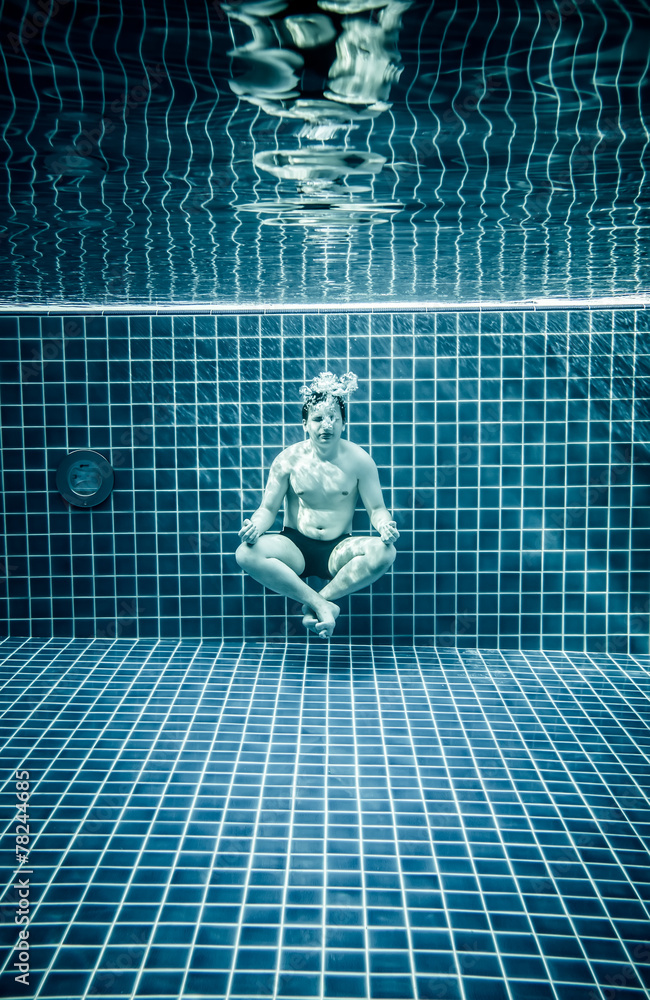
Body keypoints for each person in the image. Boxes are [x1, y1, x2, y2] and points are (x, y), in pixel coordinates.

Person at [236, 371, 399, 639]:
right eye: (318, 418)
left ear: (344, 423)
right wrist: (254, 526)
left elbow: (377, 509)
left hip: (338, 550)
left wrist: (385, 525)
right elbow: (267, 510)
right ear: (305, 423)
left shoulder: (359, 461)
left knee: (386, 552)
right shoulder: (288, 459)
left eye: (334, 417)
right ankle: (323, 606)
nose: (327, 424)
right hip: (294, 547)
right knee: (245, 553)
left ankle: (320, 601)